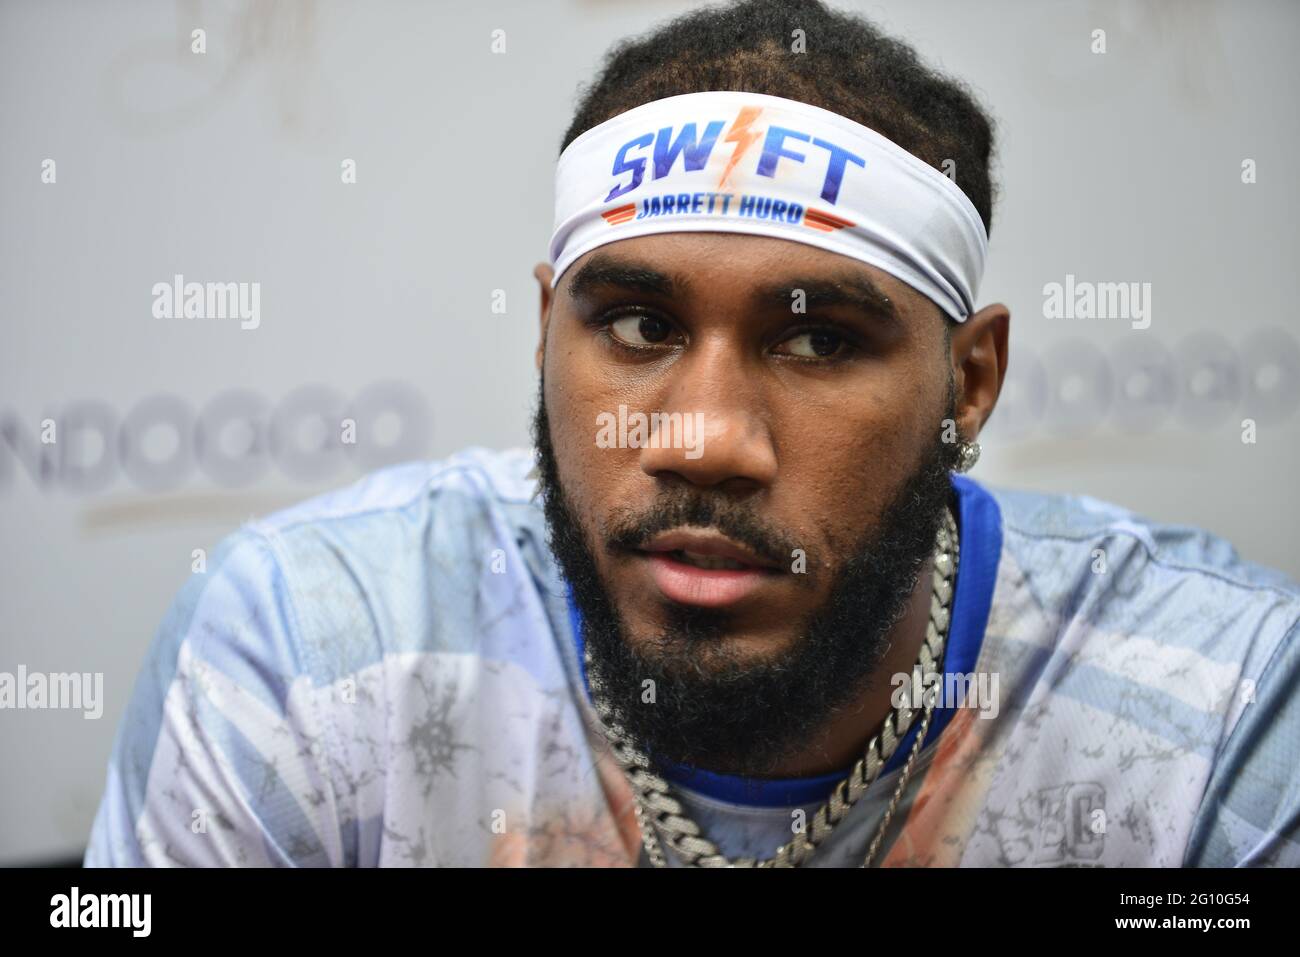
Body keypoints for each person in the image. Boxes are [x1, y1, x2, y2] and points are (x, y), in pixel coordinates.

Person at [86, 0, 1299, 867]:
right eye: (635, 323)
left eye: (818, 339)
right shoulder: (312, 652)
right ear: (545, 328)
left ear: (967, 383)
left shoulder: (1215, 708)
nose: (706, 440)